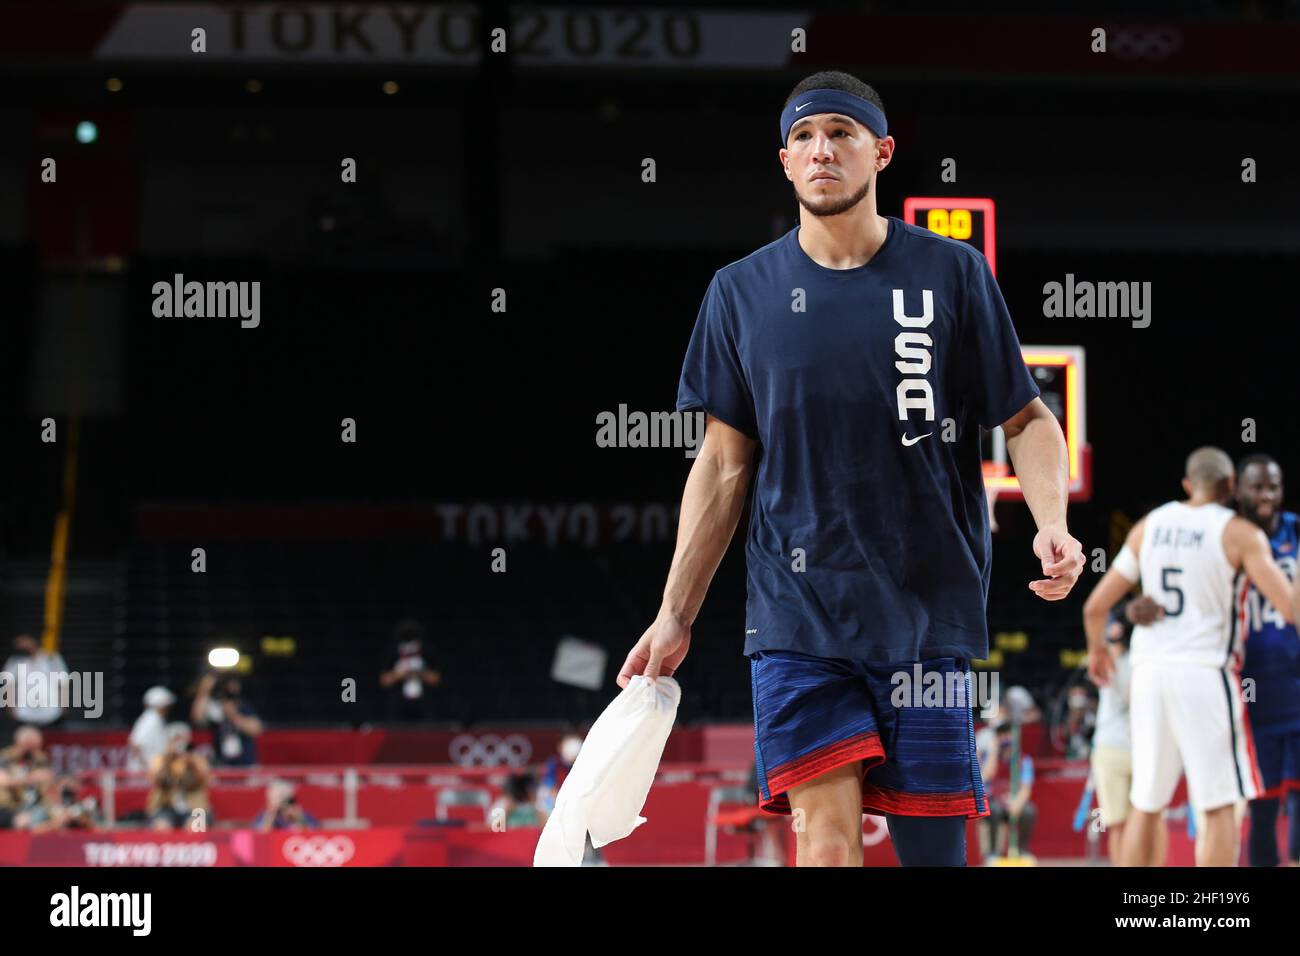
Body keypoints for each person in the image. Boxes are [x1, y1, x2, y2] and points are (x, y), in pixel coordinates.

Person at [617, 70, 1084, 867]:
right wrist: (675, 613)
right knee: (825, 845)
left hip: (928, 610)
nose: (821, 149)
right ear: (785, 162)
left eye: (840, 132)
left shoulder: (952, 273)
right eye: (803, 137)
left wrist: (1053, 524)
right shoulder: (739, 293)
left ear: (882, 152)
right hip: (797, 615)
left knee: (933, 853)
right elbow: (724, 469)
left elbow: (1027, 417)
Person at [1083, 447, 1298, 867]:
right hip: (1204, 674)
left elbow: (1094, 607)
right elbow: (1289, 608)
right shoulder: (1239, 532)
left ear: (1187, 485)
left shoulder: (1149, 526)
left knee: (1148, 803)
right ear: (1231, 486)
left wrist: (1096, 651)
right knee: (1218, 805)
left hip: (1149, 675)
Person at [1220, 453, 1300, 866]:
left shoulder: (1296, 531)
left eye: (1274, 486)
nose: (1267, 495)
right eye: (1258, 487)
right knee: (1262, 810)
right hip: (1253, 699)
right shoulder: (1228, 537)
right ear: (1238, 491)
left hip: (1296, 691)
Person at [977, 720, 1037, 860]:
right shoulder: (988, 757)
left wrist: (1017, 803)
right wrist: (993, 751)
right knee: (994, 810)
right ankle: (992, 853)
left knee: (1029, 811)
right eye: (1002, 734)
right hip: (993, 802)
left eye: (1008, 734)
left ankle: (1022, 851)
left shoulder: (1024, 760)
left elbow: (1025, 788)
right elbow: (986, 776)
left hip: (1013, 802)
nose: (1006, 737)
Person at [0, 634, 69, 743]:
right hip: (24, 716)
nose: (20, 645)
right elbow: (8, 685)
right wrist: (11, 709)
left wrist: (63, 707)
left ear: (33, 640)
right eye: (17, 643)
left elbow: (63, 682)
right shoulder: (14, 660)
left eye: (22, 641)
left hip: (51, 715)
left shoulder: (51, 658)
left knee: (49, 750)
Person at [145, 723, 211, 830]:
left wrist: (190, 764)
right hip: (165, 806)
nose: (178, 744)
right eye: (174, 740)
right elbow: (157, 782)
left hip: (195, 807)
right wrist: (168, 760)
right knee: (161, 827)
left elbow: (202, 781)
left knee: (196, 826)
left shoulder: (196, 760)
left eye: (181, 740)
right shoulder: (160, 760)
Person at [191, 673, 263, 766]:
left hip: (246, 764)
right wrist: (204, 691)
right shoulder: (217, 708)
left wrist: (233, 715)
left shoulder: (244, 707)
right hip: (223, 764)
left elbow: (256, 730)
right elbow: (197, 717)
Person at [379, 619, 442, 723]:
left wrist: (418, 672)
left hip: (424, 705)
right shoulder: (392, 652)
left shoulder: (427, 651)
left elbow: (436, 679)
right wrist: (401, 674)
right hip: (398, 705)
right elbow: (384, 681)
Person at [128, 686, 175, 773]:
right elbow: (136, 744)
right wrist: (145, 767)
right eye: (167, 706)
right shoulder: (150, 719)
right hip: (143, 772)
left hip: (153, 770)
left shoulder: (157, 719)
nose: (168, 709)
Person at [252, 779, 320, 831]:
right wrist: (271, 813)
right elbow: (260, 834)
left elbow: (313, 832)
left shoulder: (300, 813)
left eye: (280, 797)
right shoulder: (266, 815)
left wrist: (298, 818)